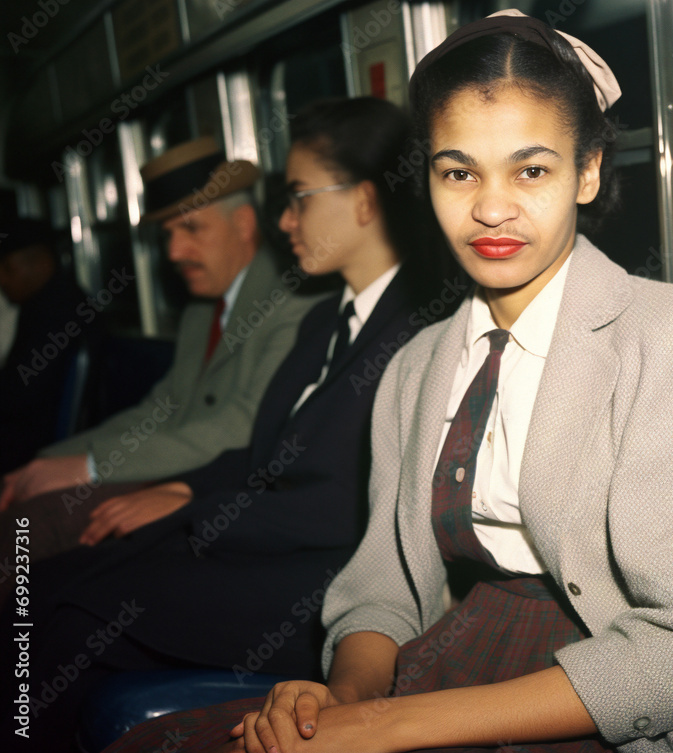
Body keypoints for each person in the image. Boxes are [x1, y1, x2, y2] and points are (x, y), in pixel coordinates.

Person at [103, 11, 673, 753]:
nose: (491, 208)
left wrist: (381, 723)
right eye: (459, 172)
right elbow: (382, 587)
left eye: (532, 170)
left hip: (597, 714)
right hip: (447, 668)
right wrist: (339, 699)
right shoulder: (417, 365)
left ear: (587, 170)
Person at [0, 97, 452, 753]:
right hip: (264, 536)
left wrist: (201, 513)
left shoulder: (421, 330)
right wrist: (186, 490)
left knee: (71, 617)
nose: (284, 220)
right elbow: (261, 451)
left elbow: (346, 505)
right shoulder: (326, 319)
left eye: (298, 198)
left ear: (363, 201)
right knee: (47, 585)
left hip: (327, 581)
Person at [0, 139, 324, 586]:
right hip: (161, 466)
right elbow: (159, 409)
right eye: (168, 234)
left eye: (191, 229)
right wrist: (49, 462)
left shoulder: (296, 305)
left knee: (27, 533)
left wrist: (90, 467)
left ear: (245, 224)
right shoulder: (199, 311)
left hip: (219, 489)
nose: (173, 253)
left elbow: (242, 428)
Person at [0, 219, 101, 475]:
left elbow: (22, 393)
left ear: (41, 263)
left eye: (7, 269)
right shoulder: (40, 302)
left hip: (36, 445)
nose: (2, 279)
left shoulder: (59, 311)